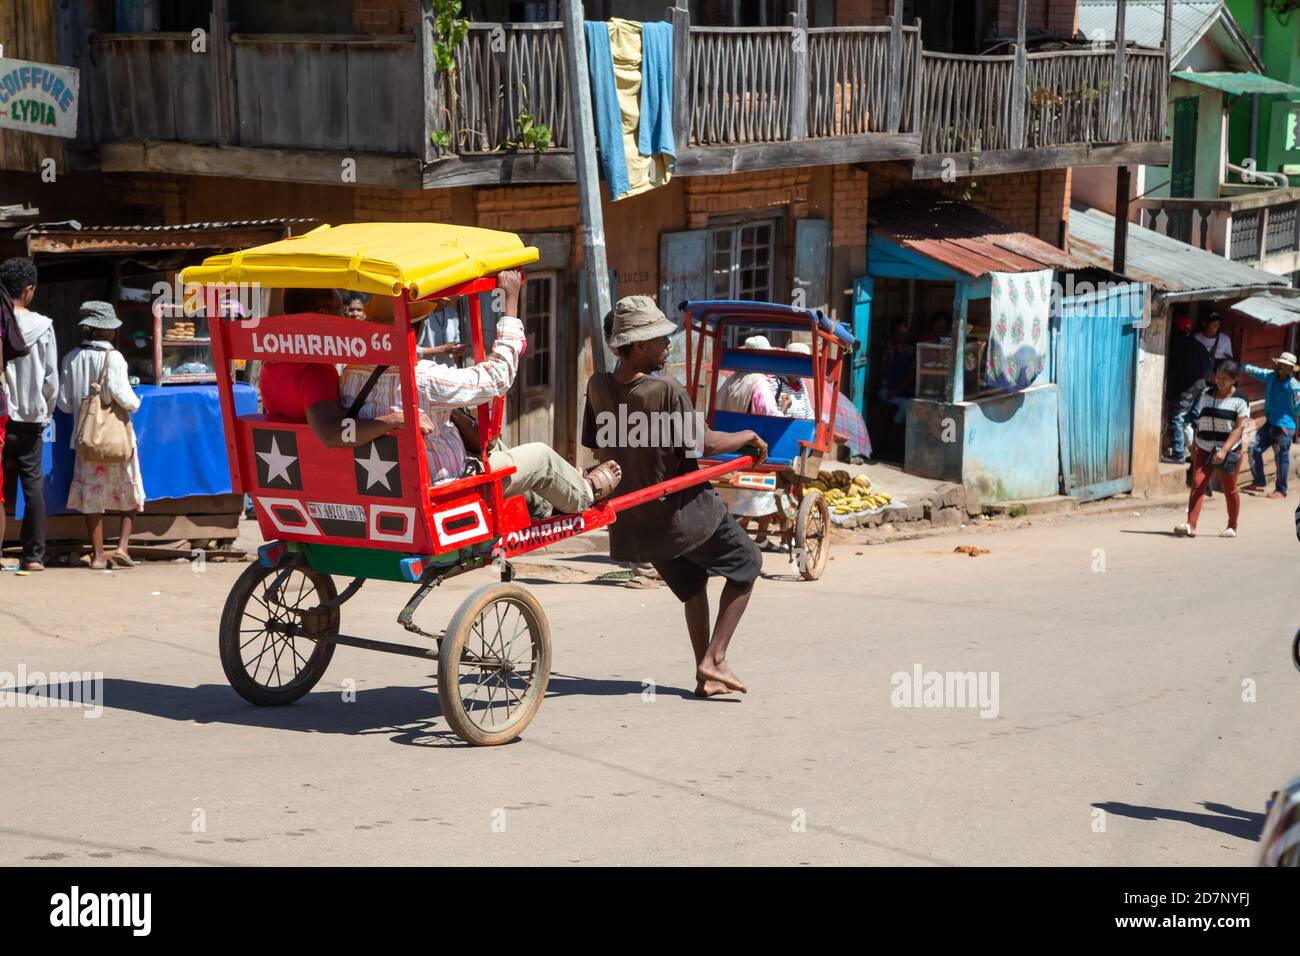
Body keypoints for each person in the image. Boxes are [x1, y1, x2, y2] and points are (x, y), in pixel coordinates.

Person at [582, 295, 769, 698]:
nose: (668, 347)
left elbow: (599, 449)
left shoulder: (597, 386)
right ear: (635, 346)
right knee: (748, 563)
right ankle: (714, 659)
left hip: (638, 523)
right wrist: (749, 437)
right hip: (687, 512)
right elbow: (705, 443)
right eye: (660, 340)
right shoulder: (664, 389)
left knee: (694, 587)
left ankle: (706, 680)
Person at [340, 270, 622, 513]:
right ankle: (585, 491)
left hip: (392, 485)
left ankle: (554, 492)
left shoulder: (351, 374)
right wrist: (510, 306)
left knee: (496, 446)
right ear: (419, 328)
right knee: (540, 456)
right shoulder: (423, 378)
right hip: (448, 489)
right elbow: (498, 378)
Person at [262, 289, 432, 446]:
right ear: (323, 314)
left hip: (287, 455)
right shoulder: (315, 371)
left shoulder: (275, 358)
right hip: (320, 465)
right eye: (341, 309)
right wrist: (395, 419)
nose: (344, 316)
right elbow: (331, 434)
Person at [57, 302, 145, 569]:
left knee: (91, 495)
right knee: (130, 489)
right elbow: (126, 400)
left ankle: (97, 555)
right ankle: (122, 547)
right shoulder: (114, 358)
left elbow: (64, 404)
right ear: (104, 331)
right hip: (116, 439)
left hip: (85, 440)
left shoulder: (71, 357)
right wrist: (135, 399)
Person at [1, 257, 58, 572]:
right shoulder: (44, 326)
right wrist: (45, 412)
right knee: (32, 485)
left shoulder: (1, 321)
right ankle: (34, 555)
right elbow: (51, 379)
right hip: (31, 419)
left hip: (1, 416)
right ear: (28, 289)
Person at [1175, 360, 1249, 538]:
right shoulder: (1206, 394)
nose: (1219, 381)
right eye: (1218, 377)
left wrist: (1223, 451)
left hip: (1229, 450)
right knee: (1198, 483)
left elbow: (1239, 428)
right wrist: (1194, 444)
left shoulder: (1241, 399)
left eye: (1224, 379)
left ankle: (1232, 525)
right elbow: (1200, 420)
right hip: (1204, 446)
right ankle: (1191, 525)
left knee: (1229, 488)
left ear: (1234, 380)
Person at [1243, 350, 1300, 499]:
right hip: (1270, 422)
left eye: (1285, 366)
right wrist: (1242, 366)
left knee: (1281, 457)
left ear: (1290, 369)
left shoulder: (1294, 386)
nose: (1281, 367)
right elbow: (1256, 371)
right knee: (1253, 449)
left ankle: (1281, 490)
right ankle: (1259, 481)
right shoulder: (1271, 377)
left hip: (1284, 427)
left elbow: (1298, 407)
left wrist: (1288, 424)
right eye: (1280, 364)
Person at [1163, 311, 1212, 464]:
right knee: (1193, 419)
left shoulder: (1176, 344)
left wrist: (1172, 391)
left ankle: (1178, 454)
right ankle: (1198, 452)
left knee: (1177, 417)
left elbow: (1175, 370)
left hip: (1187, 387)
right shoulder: (1197, 344)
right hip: (1201, 386)